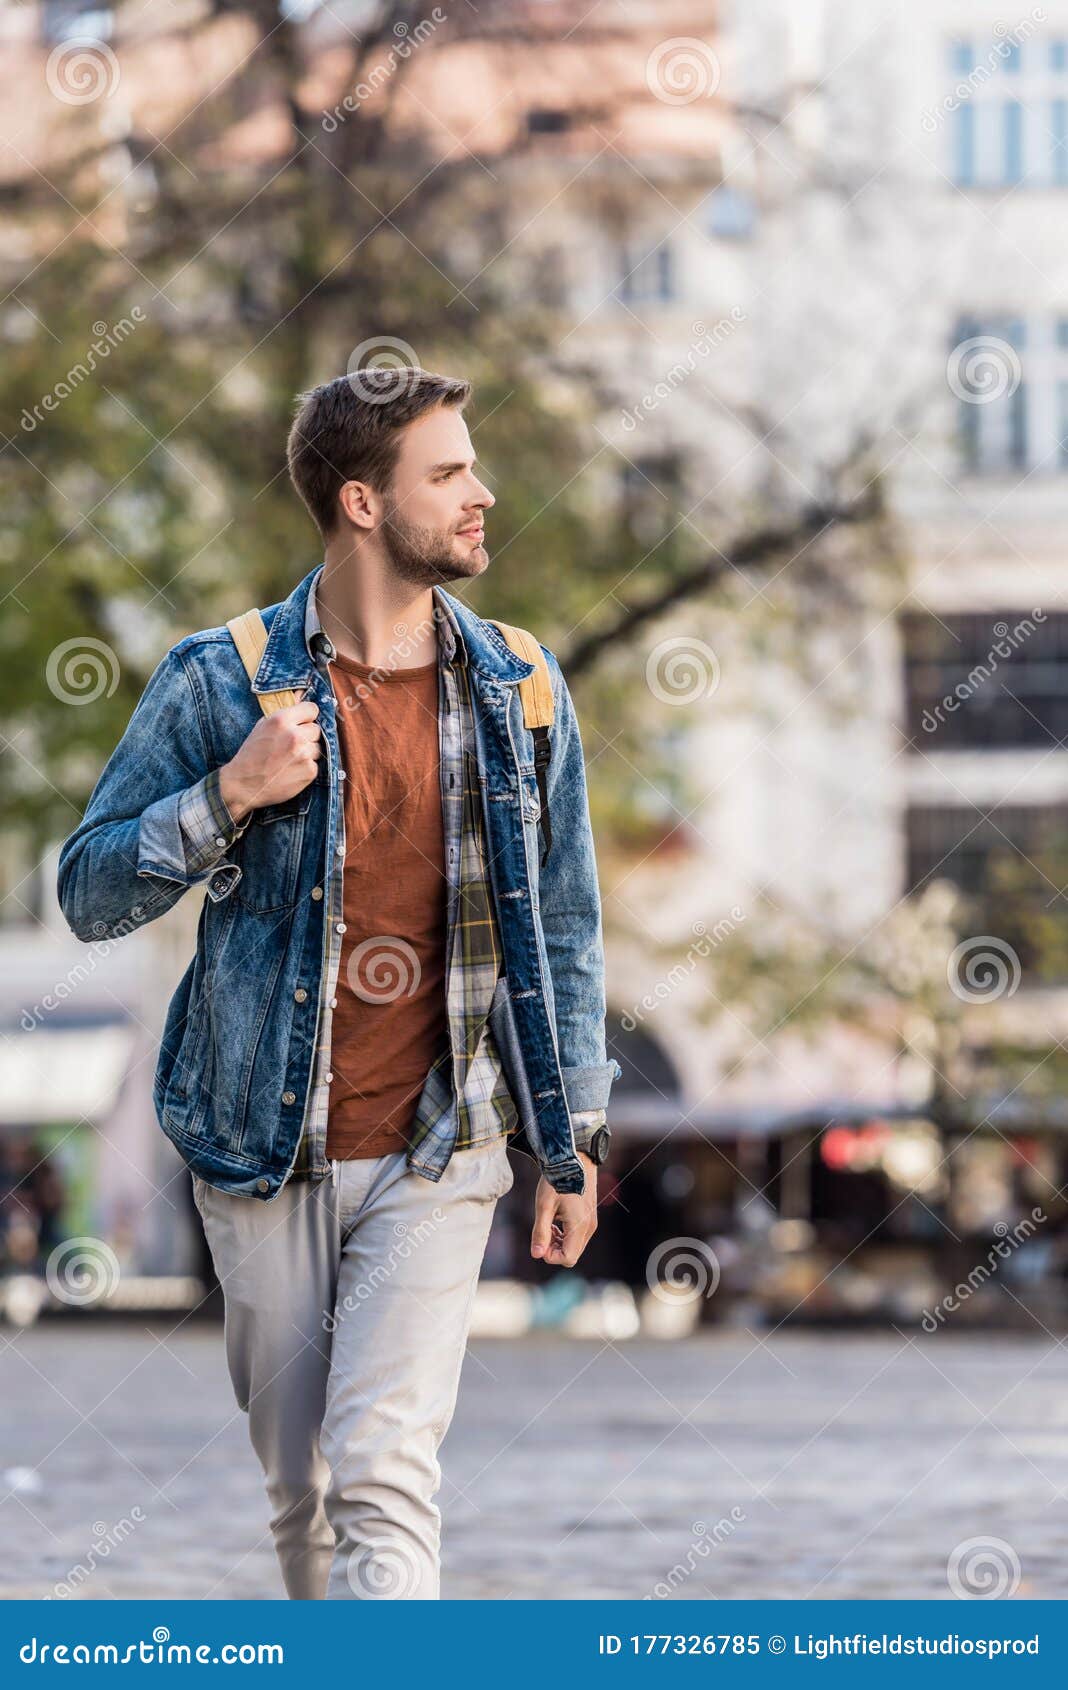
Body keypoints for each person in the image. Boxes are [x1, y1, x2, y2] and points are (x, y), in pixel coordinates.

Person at [56, 366, 621, 1600]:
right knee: (303, 1490)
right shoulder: (221, 679)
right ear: (363, 503)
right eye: (449, 473)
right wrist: (228, 795)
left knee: (381, 1465)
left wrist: (568, 1139)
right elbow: (90, 889)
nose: (485, 494)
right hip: (264, 1142)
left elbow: (566, 928)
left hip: (446, 1143)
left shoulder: (520, 687)